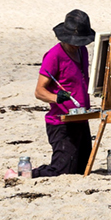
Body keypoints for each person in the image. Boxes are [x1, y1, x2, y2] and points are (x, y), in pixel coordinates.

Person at [32, 9, 96, 177]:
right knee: (62, 171)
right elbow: (39, 91)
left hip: (81, 119)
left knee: (82, 169)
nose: (77, 44)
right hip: (61, 123)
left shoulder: (82, 51)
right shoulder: (54, 56)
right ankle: (25, 173)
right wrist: (56, 98)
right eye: (74, 41)